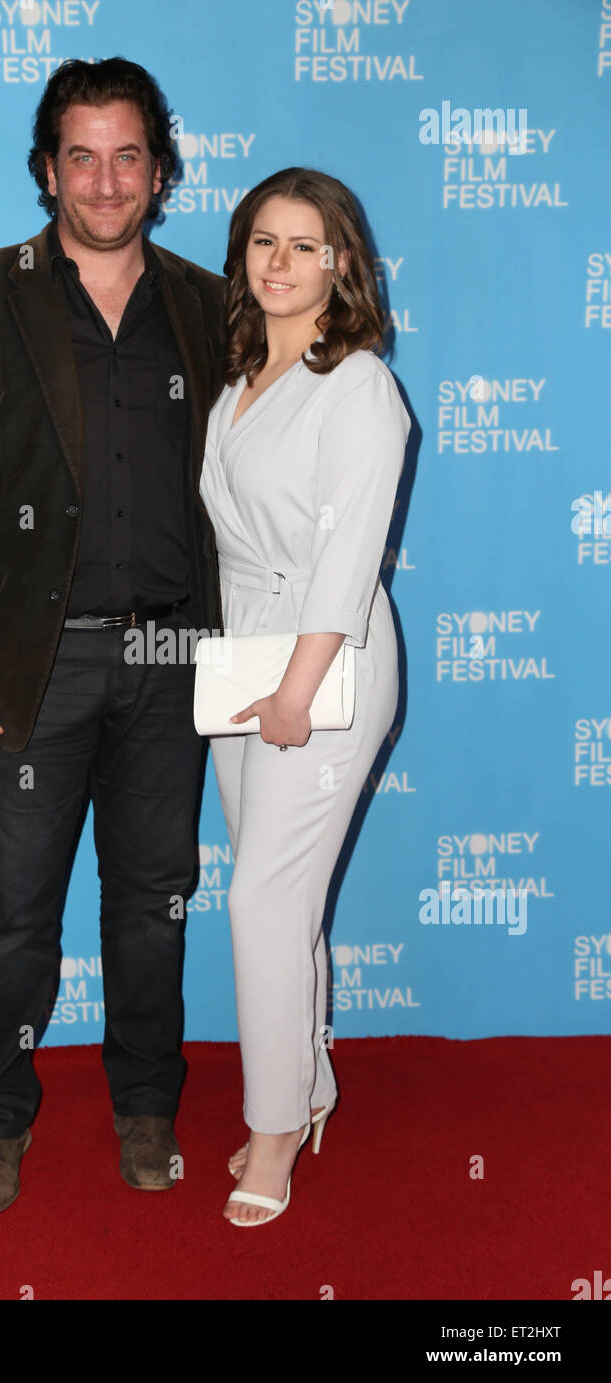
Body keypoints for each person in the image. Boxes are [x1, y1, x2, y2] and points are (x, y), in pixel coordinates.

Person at [0, 58, 225, 1216]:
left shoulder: (206, 302)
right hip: (34, 668)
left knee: (152, 903)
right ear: (46, 168)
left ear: (159, 169)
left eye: (127, 154)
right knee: (13, 915)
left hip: (174, 661)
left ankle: (146, 1104)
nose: (103, 179)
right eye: (79, 155)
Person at [198, 167, 410, 1227]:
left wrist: (296, 687)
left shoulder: (359, 384)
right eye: (262, 243)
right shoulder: (240, 374)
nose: (279, 264)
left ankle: (274, 1130)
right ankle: (309, 1087)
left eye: (303, 245)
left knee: (260, 902)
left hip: (324, 666)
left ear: (341, 264)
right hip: (242, 662)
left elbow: (344, 558)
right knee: (276, 900)